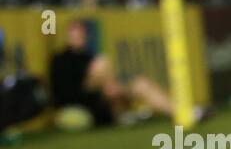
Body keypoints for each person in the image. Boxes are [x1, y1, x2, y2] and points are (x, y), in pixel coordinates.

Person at [48, 19, 202, 127]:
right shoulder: (60, 59)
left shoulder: (89, 56)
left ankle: (182, 112)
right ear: (68, 35)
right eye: (74, 34)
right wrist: (100, 90)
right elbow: (65, 93)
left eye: (81, 34)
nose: (78, 37)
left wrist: (111, 87)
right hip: (85, 105)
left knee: (141, 83)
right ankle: (122, 113)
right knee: (103, 64)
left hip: (107, 98)